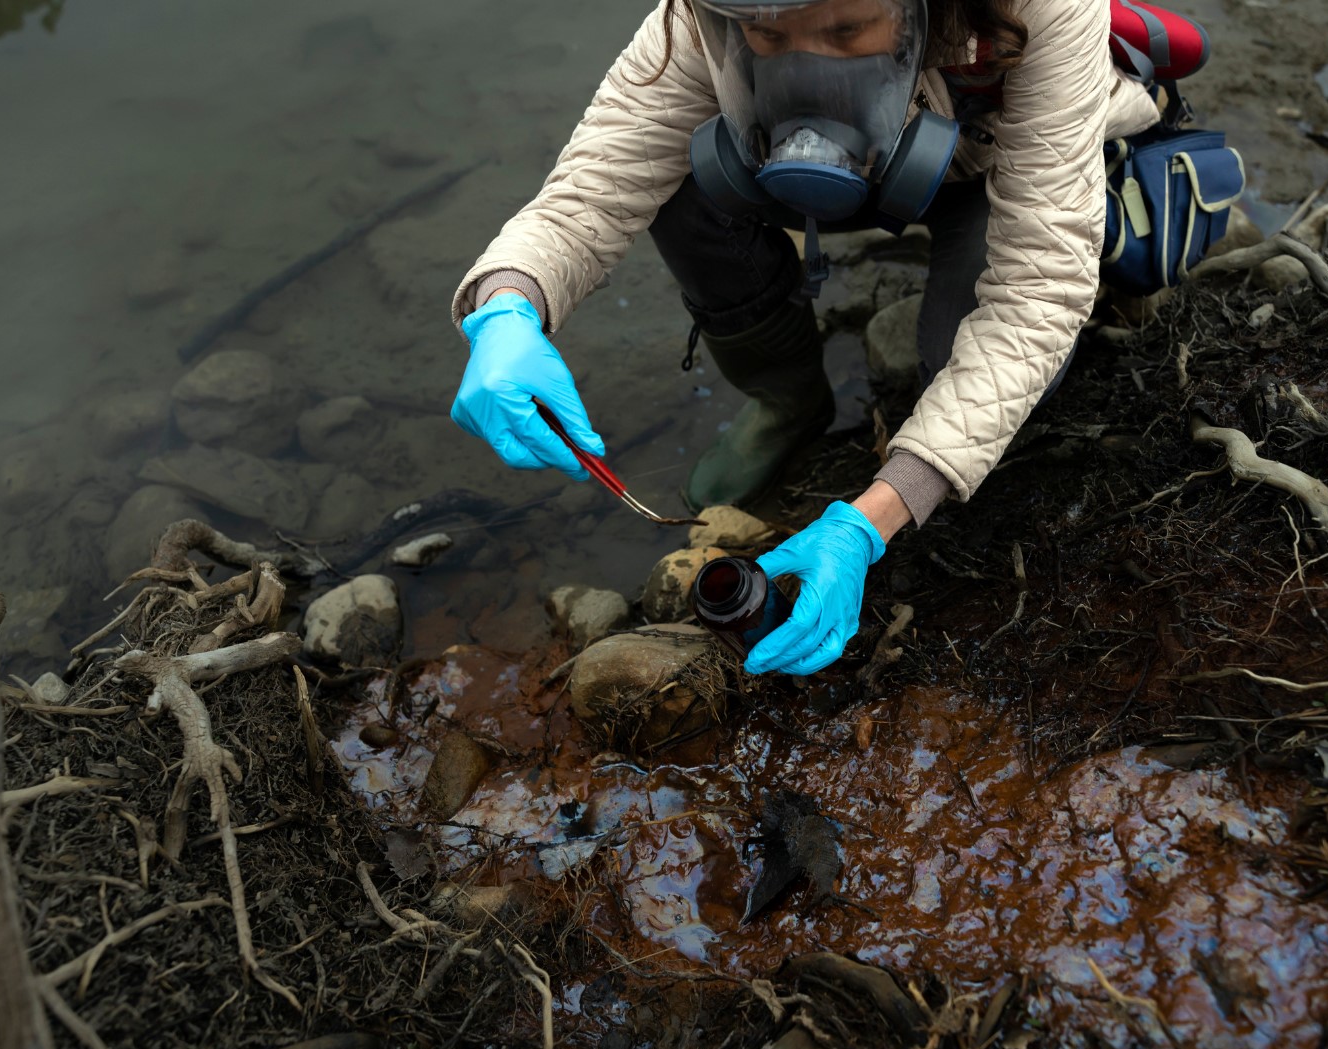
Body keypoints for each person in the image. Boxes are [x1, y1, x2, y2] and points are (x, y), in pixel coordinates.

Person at [449, 0, 1173, 676]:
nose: (802, 61)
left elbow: (1037, 291)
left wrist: (875, 515)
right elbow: (592, 190)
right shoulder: (705, 16)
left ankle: (1093, 205)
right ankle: (785, 399)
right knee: (679, 179)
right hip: (821, 166)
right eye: (768, 36)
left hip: (988, 162)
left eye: (845, 31)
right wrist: (506, 309)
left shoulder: (1041, 11)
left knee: (963, 366)